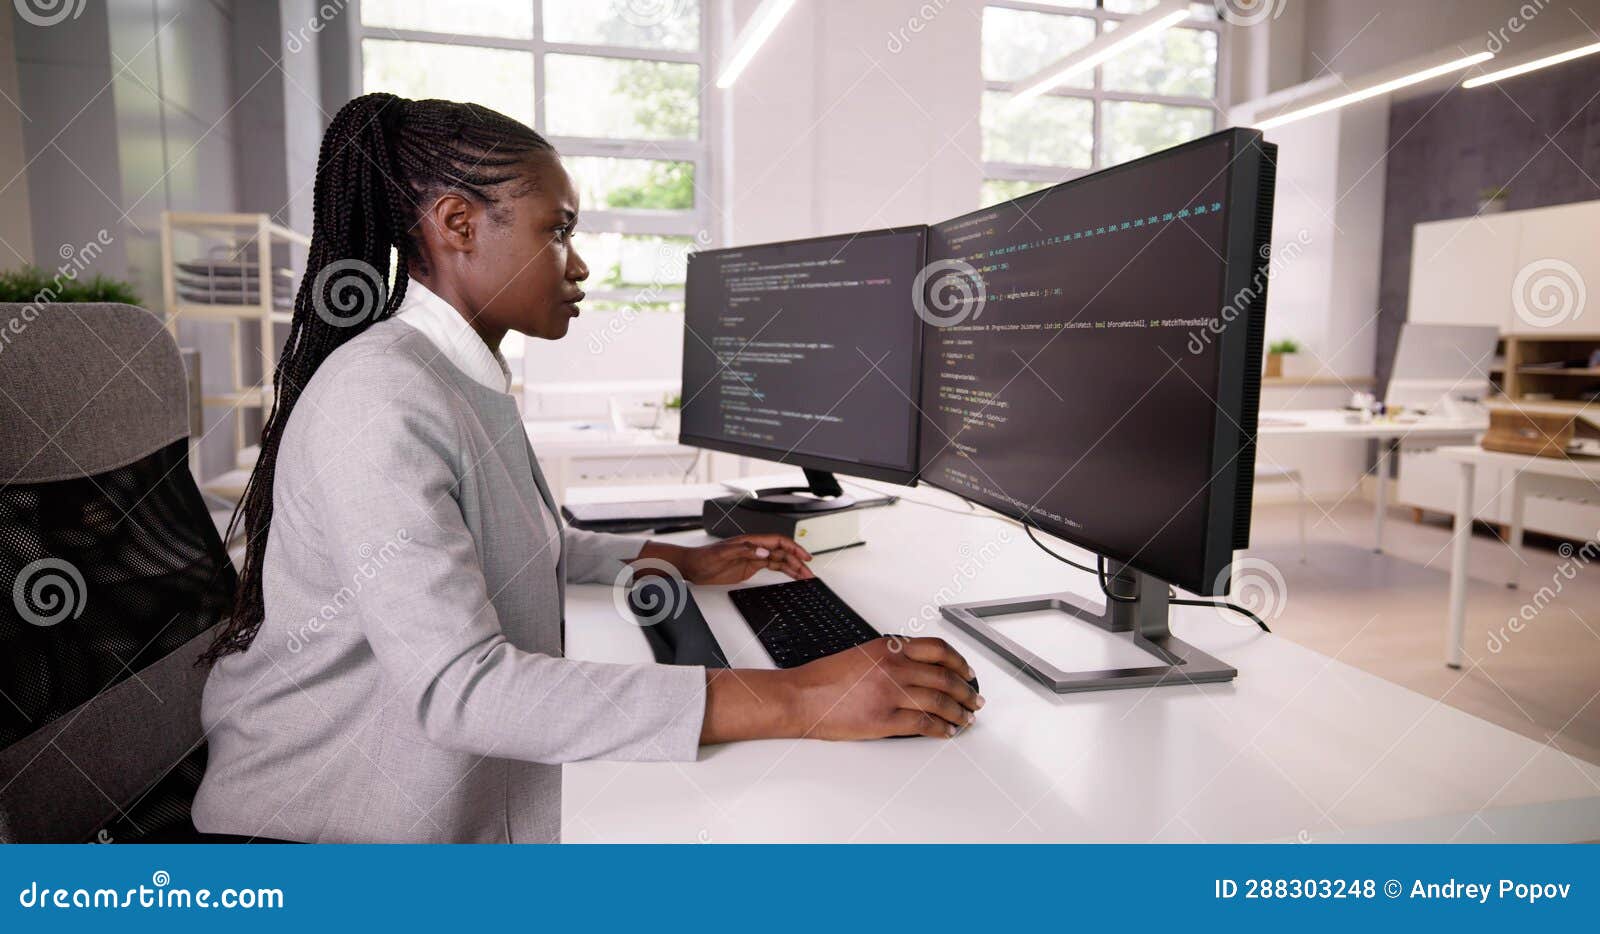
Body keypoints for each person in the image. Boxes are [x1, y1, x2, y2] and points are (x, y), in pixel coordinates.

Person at [192, 94, 982, 843]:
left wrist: (679, 559)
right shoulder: (380, 399)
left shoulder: (451, 376)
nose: (579, 267)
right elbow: (462, 689)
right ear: (458, 224)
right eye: (557, 231)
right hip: (319, 830)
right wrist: (801, 693)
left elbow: (534, 541)